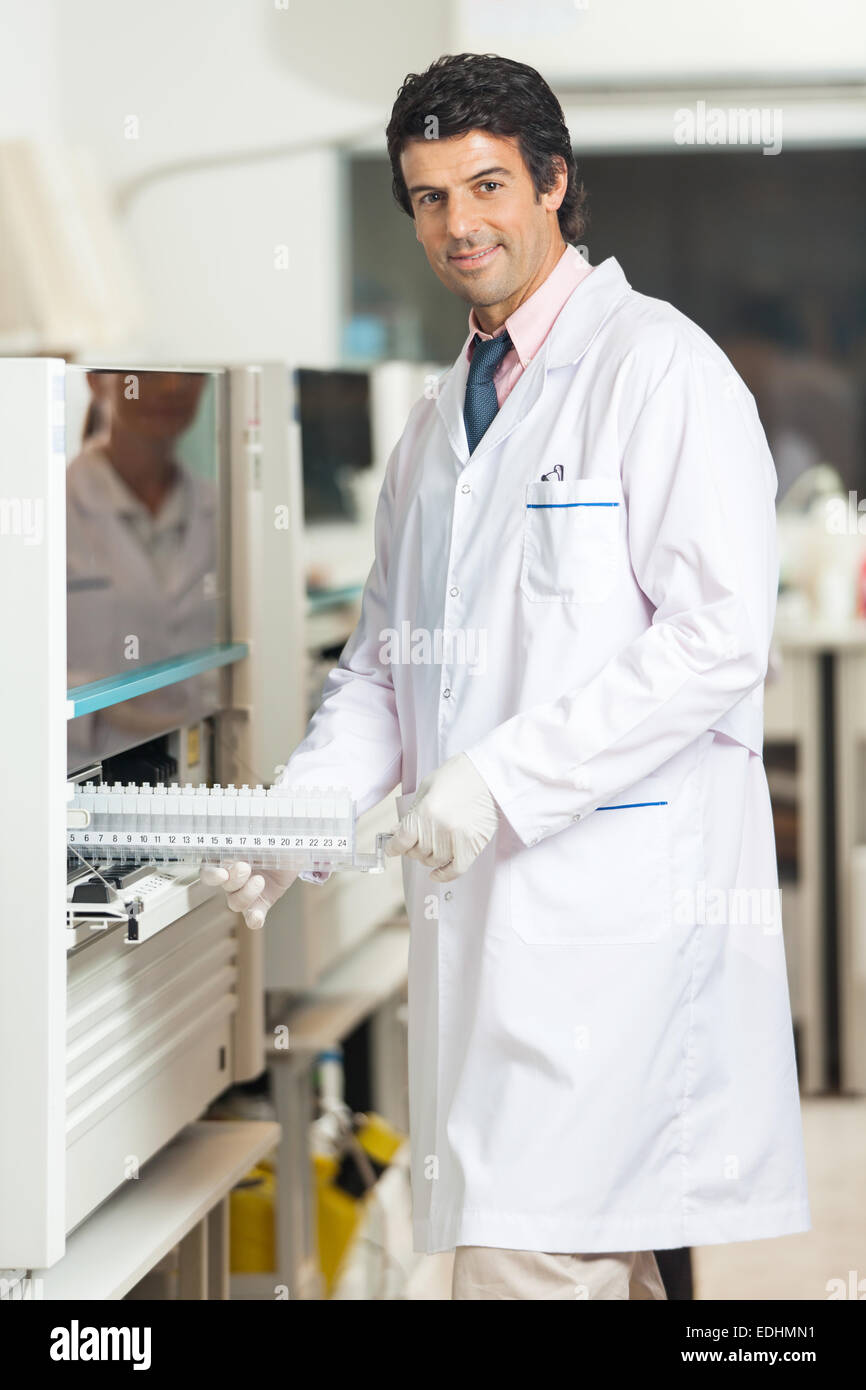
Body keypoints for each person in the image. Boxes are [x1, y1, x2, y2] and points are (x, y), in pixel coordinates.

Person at [203, 53, 811, 1301]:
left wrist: (495, 777)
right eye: (428, 197)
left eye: (485, 185)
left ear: (552, 183)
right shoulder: (437, 424)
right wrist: (296, 818)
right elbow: (381, 663)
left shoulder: (659, 370)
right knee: (570, 1250)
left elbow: (713, 639)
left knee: (518, 1262)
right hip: (493, 934)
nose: (458, 223)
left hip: (618, 922)